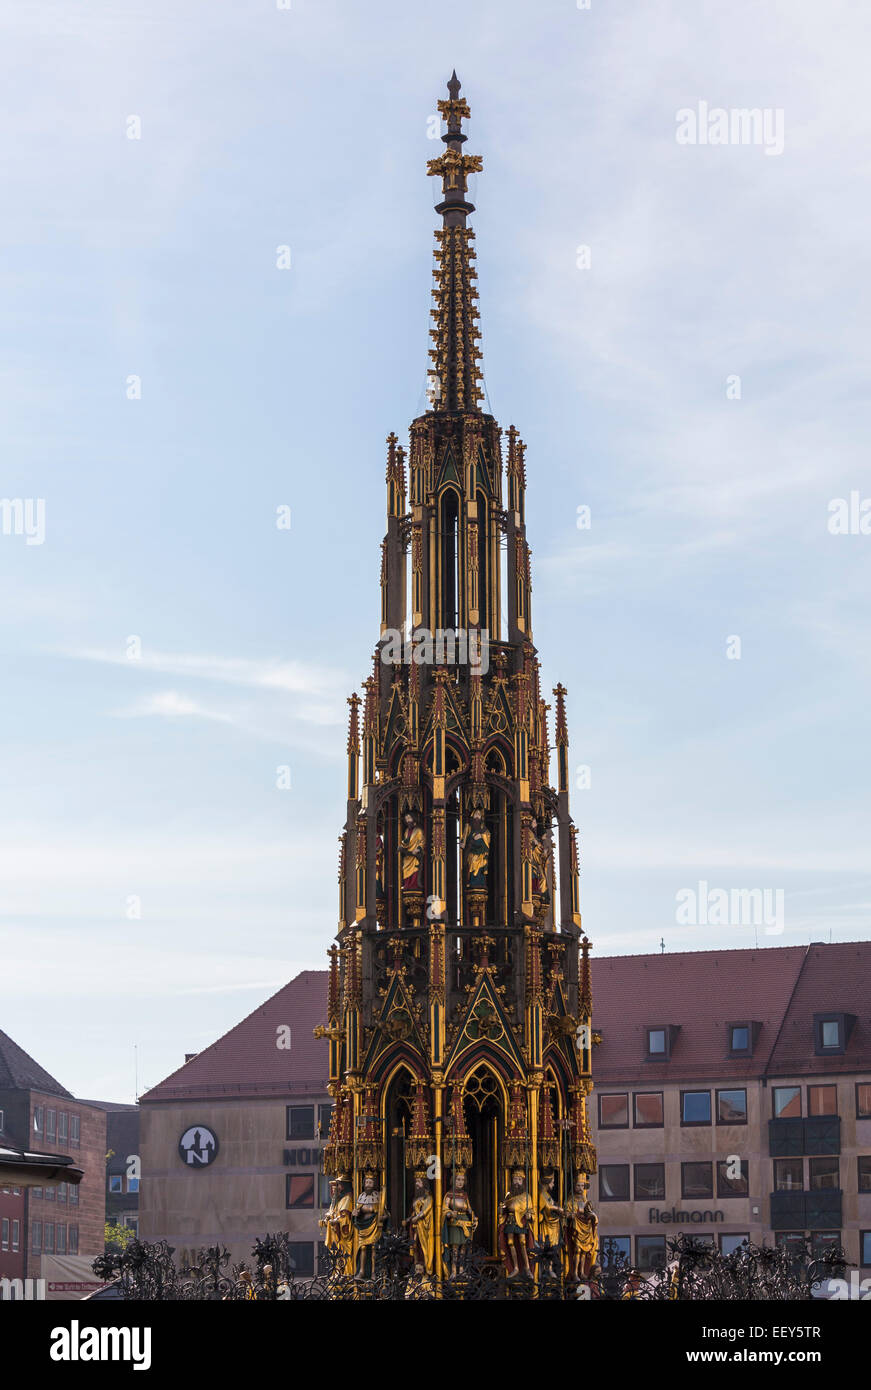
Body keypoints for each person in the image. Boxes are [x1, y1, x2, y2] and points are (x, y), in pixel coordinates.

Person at [442, 1168, 478, 1278]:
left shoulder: (464, 1195)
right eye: (458, 1179)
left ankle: (462, 1270)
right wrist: (449, 1213)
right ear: (453, 1180)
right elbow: (444, 1208)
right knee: (455, 1248)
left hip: (465, 1223)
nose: (460, 1182)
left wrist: (474, 1217)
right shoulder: (449, 1194)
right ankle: (453, 1270)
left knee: (463, 1248)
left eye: (462, 1180)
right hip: (455, 1223)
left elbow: (469, 1209)